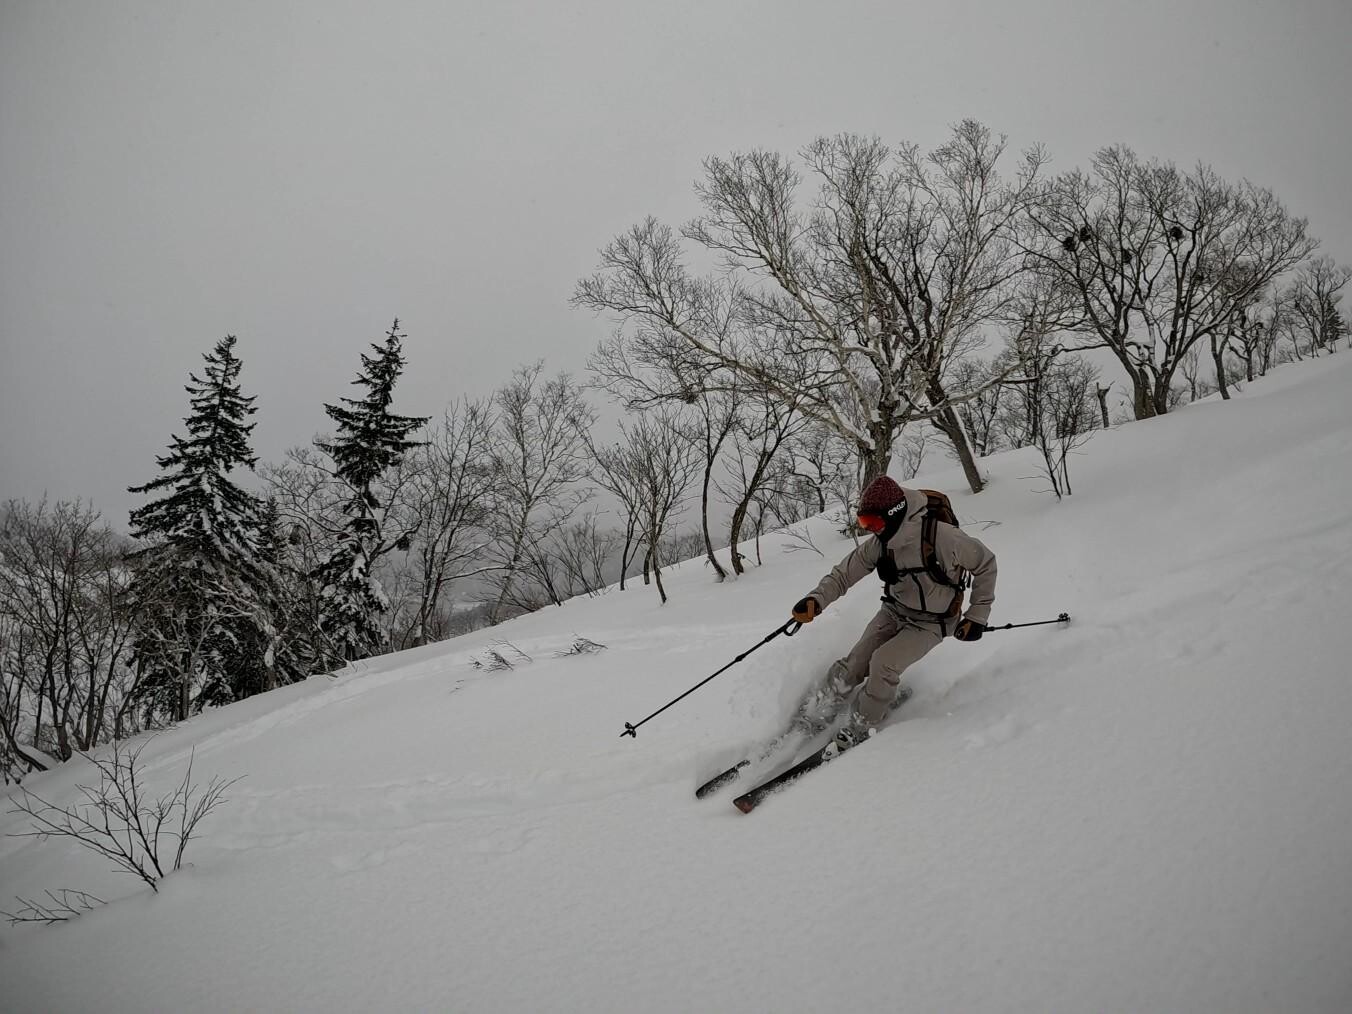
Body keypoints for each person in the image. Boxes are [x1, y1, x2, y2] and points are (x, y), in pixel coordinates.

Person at [789, 475, 997, 754]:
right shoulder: (881, 542)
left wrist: (977, 616)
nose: (870, 530)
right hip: (893, 611)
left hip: (932, 622)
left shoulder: (944, 538)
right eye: (864, 524)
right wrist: (816, 600)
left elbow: (986, 564)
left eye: (873, 523)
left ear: (894, 515)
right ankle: (818, 711)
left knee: (883, 663)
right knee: (855, 663)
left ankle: (862, 724)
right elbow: (844, 574)